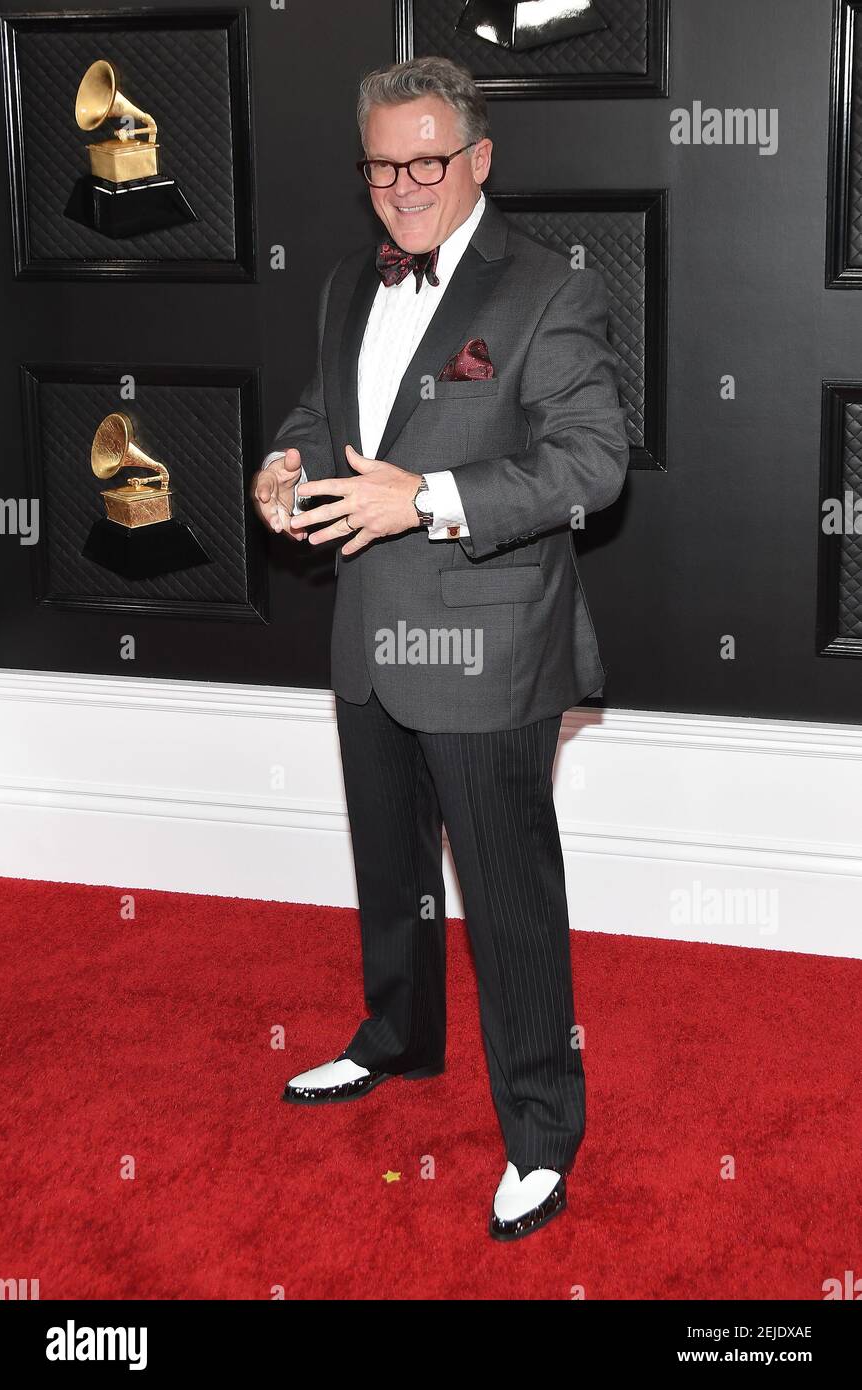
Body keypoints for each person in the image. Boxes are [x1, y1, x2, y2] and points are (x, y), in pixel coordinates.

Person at [252, 55, 629, 1241]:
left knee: (506, 894)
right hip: (369, 628)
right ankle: (394, 1037)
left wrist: (426, 500)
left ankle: (539, 1130)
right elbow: (327, 419)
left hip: (487, 638)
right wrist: (281, 464)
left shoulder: (548, 291)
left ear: (477, 159)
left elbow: (589, 463)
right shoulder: (345, 285)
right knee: (390, 864)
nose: (403, 185)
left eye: (427, 159)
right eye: (382, 165)